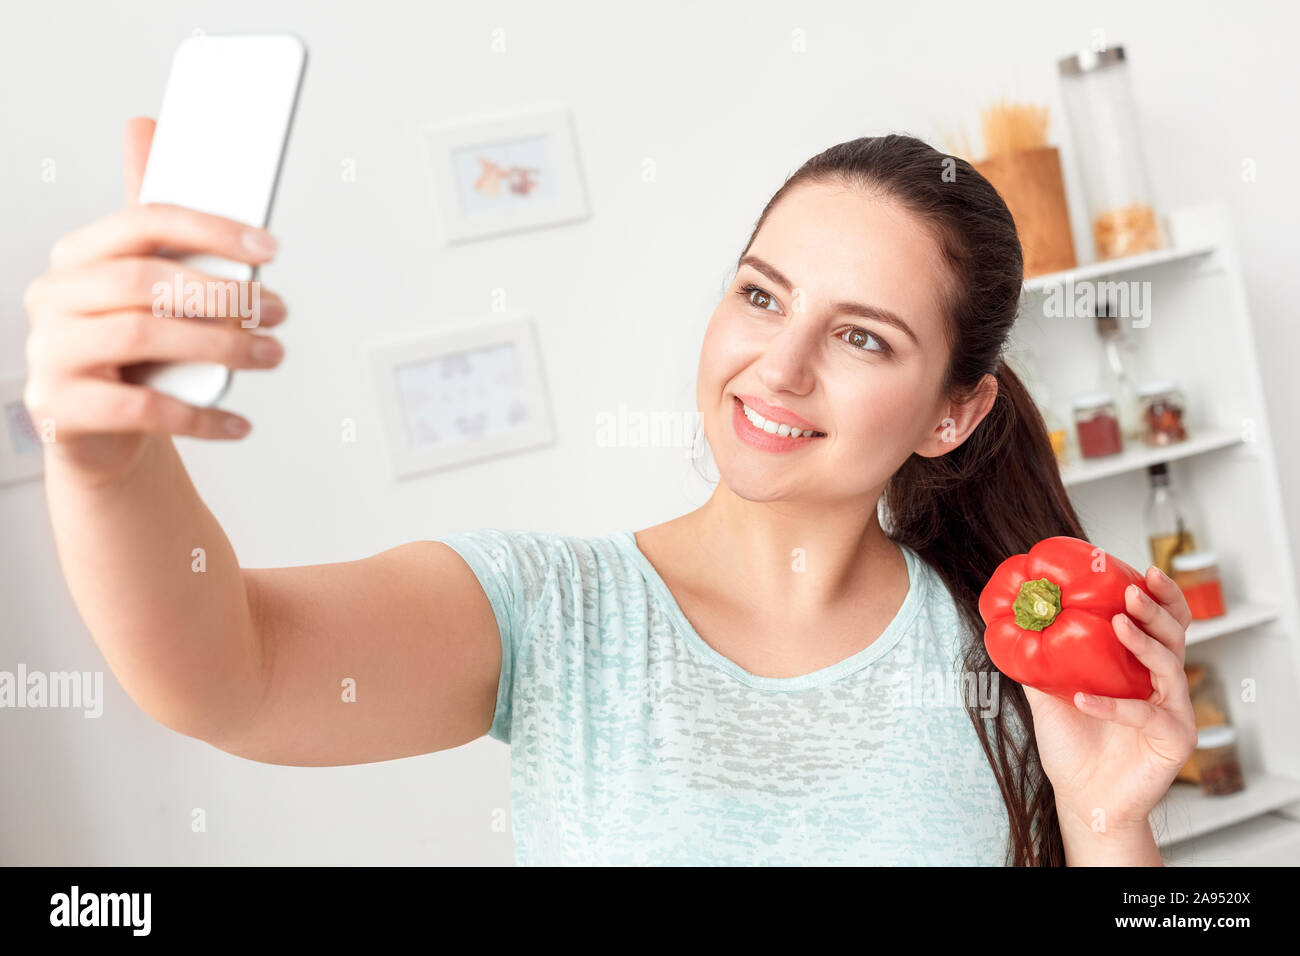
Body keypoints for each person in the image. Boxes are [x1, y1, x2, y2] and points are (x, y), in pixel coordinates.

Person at [23, 122, 1197, 865]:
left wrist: (1104, 823)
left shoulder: (1009, 653)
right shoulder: (557, 610)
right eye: (760, 295)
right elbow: (229, 670)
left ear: (953, 411)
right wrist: (103, 456)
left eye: (862, 337)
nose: (776, 369)